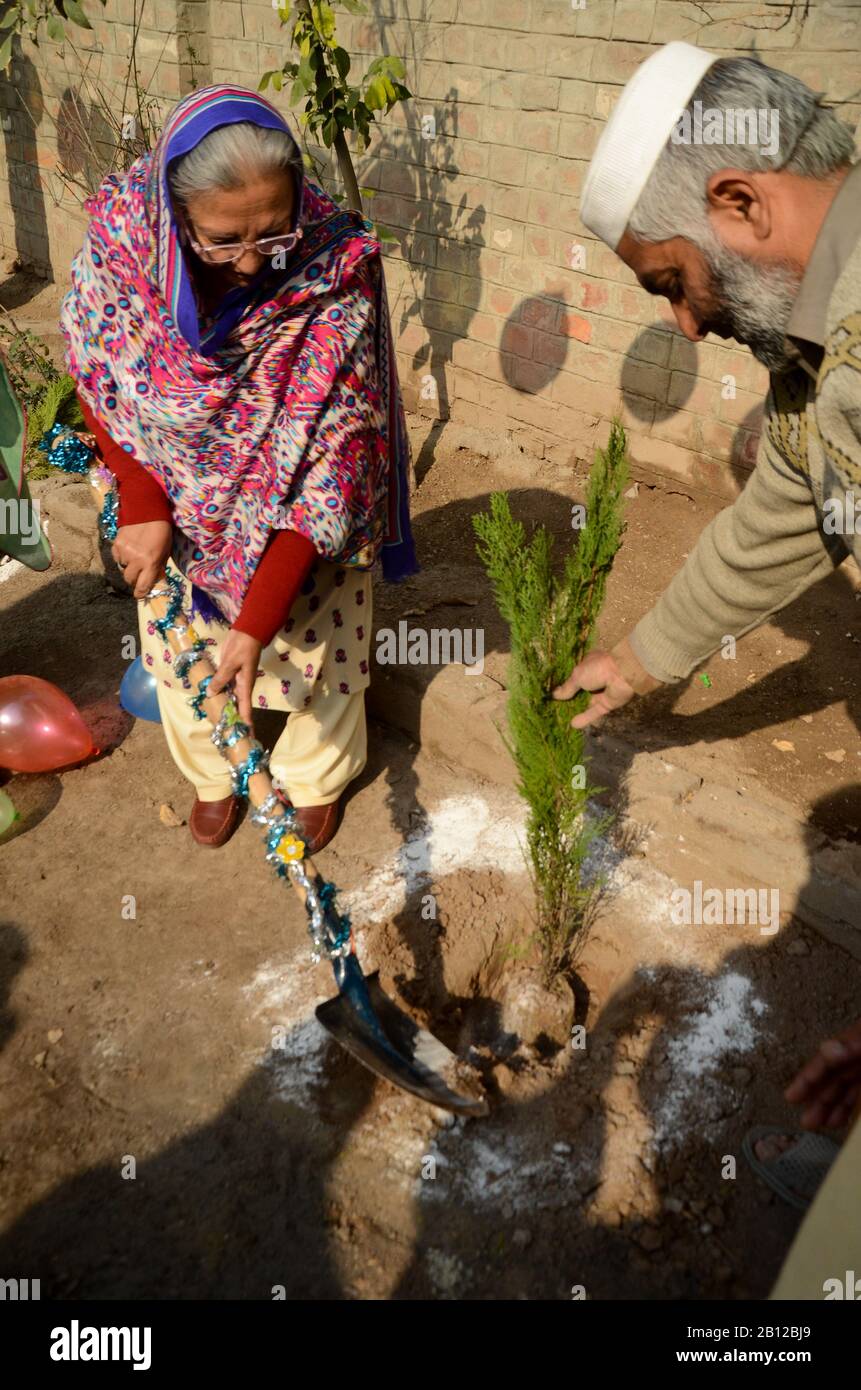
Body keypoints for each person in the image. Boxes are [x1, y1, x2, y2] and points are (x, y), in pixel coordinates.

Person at [555, 44, 860, 1192]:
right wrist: (637, 658)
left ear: (739, 203)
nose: (682, 325)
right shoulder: (816, 365)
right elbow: (785, 515)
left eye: (669, 282)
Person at [61, 85, 415, 850]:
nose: (254, 263)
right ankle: (215, 772)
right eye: (223, 240)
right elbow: (101, 379)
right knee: (182, 644)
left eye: (273, 232)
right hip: (175, 511)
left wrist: (256, 624)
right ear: (173, 214)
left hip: (301, 529)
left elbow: (332, 474)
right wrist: (145, 499)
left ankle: (316, 773)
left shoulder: (331, 273)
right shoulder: (124, 252)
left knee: (318, 640)